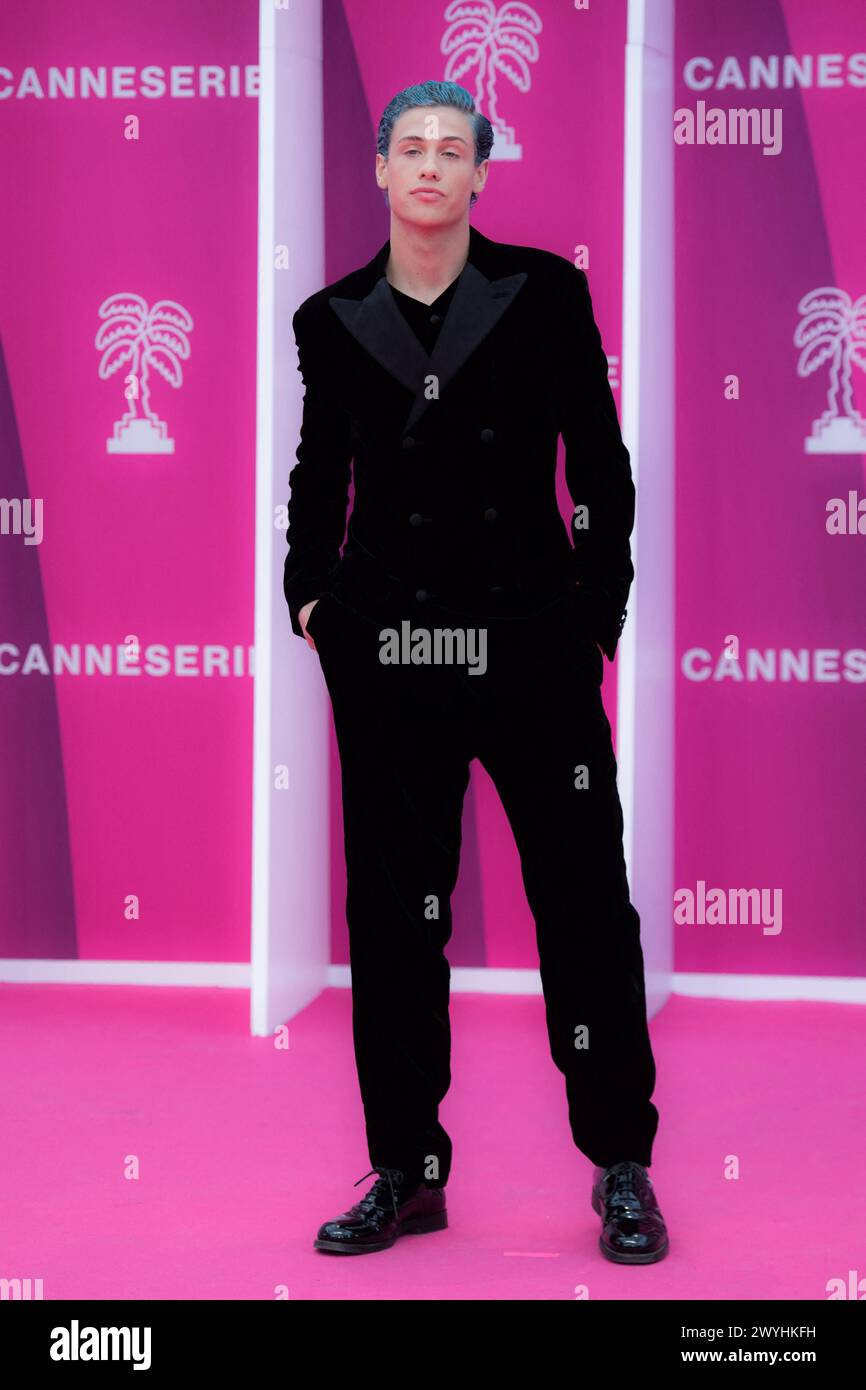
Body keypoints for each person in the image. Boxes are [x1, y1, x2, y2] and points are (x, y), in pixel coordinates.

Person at [283, 80, 668, 1264]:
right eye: (414, 148)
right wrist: (309, 599)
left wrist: (592, 616)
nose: (434, 167)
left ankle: (620, 1166)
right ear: (385, 171)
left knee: (582, 905)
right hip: (389, 649)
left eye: (456, 150)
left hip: (532, 644)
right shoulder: (331, 315)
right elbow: (319, 472)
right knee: (395, 919)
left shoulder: (544, 293)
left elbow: (599, 467)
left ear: (480, 176)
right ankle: (406, 1168)